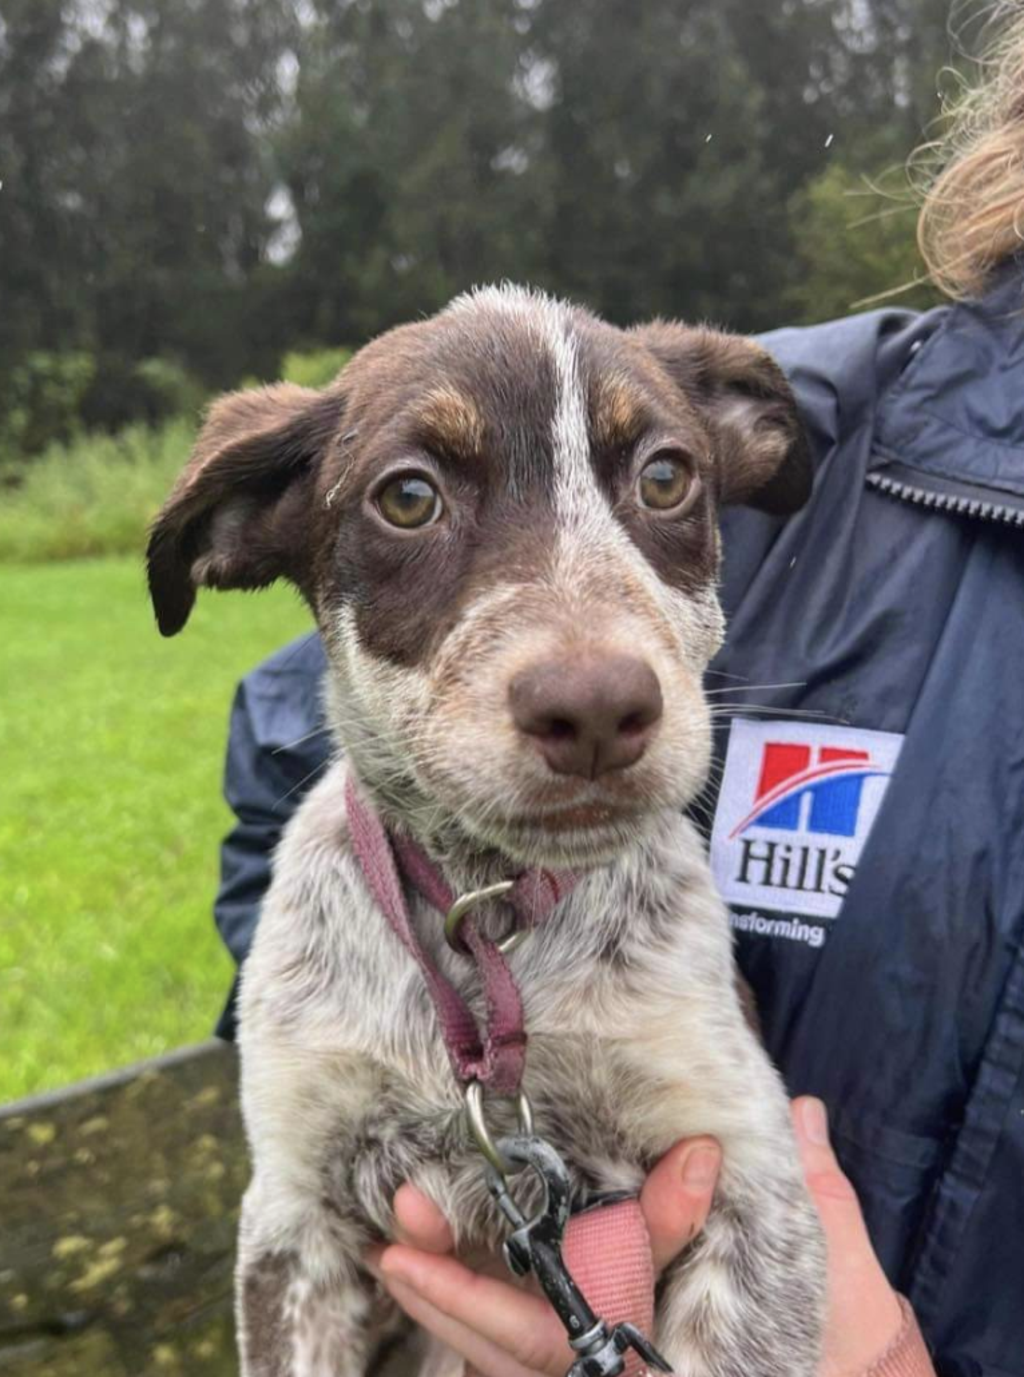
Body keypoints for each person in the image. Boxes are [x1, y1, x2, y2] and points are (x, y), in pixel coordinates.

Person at [210, 16, 1024, 1377]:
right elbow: (285, 743)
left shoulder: (784, 432)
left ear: (737, 464)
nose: (591, 670)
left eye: (661, 481)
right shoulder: (858, 416)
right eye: (412, 496)